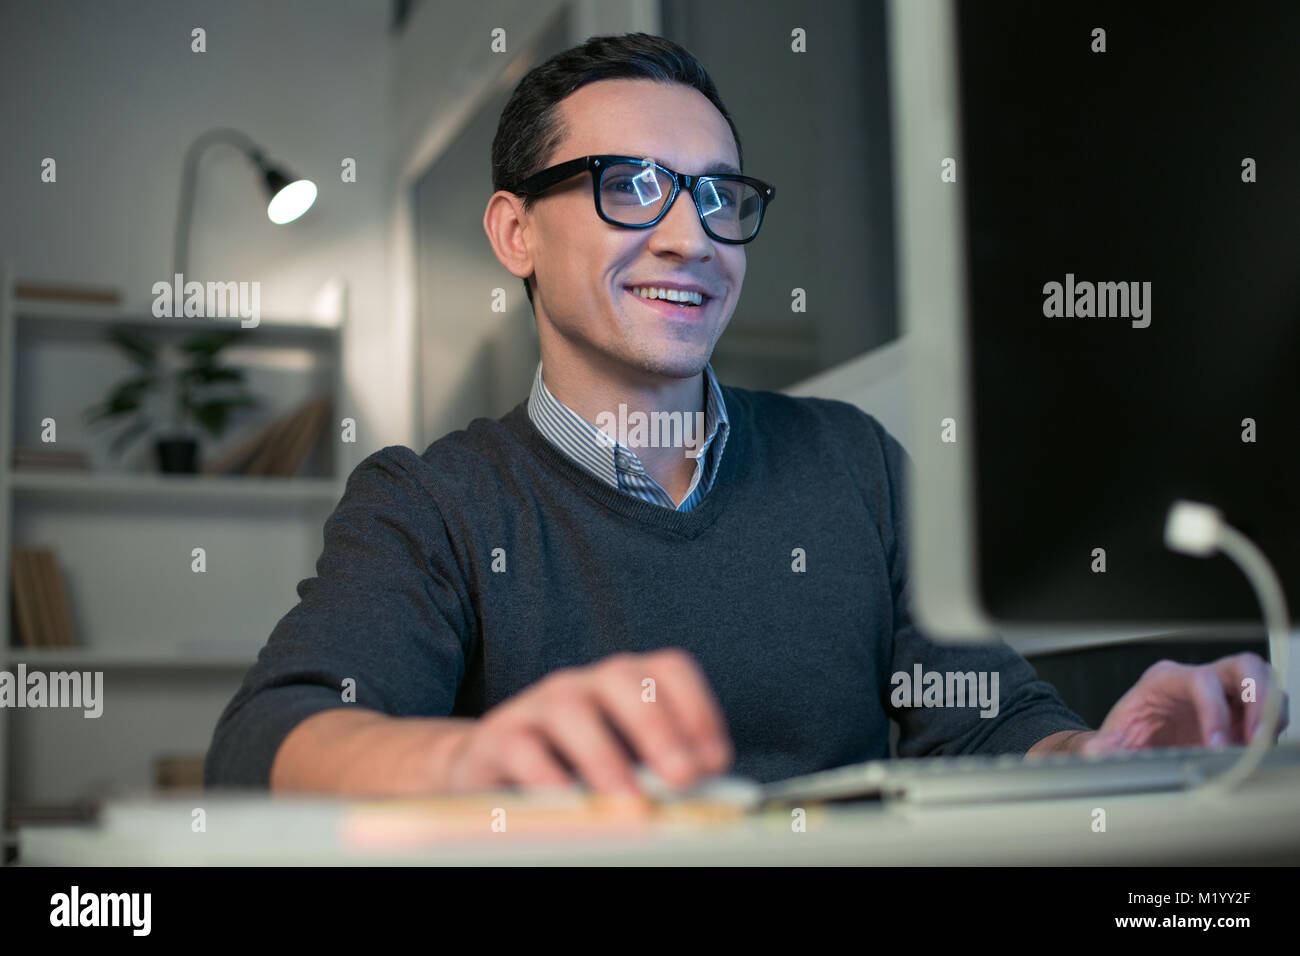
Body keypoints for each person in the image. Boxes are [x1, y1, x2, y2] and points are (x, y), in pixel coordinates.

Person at [205, 32, 1287, 797]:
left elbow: (986, 723)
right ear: (514, 233)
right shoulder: (432, 501)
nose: (693, 239)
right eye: (631, 184)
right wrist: (461, 758)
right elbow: (268, 736)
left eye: (720, 197)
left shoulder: (853, 462)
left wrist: (1102, 754)